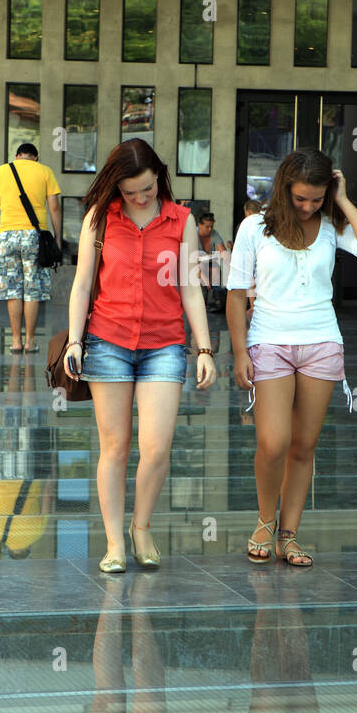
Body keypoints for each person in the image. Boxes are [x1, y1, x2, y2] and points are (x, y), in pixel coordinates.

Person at [63, 140, 217, 573]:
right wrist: (75, 341)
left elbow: (190, 288)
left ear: (159, 177)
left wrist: (204, 348)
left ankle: (141, 527)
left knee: (156, 447)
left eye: (147, 188)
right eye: (130, 192)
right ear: (116, 187)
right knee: (114, 447)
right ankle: (114, 543)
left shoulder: (181, 221)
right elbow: (81, 284)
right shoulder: (100, 218)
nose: (140, 198)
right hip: (107, 342)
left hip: (164, 345)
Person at [227, 149, 357, 566]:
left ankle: (288, 535)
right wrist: (239, 351)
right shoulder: (254, 228)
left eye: (317, 199)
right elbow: (236, 293)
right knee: (273, 441)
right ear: (284, 188)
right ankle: (264, 519)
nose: (308, 206)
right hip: (270, 342)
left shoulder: (333, 227)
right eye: (300, 198)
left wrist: (344, 201)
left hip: (321, 342)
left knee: (304, 445)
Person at [0, 142, 63, 354]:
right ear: (36, 158)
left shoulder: (0, 171)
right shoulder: (45, 171)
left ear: (17, 155)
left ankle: (15, 341)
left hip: (7, 235)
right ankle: (30, 341)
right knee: (32, 289)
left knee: (13, 289)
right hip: (34, 236)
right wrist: (58, 237)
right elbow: (54, 207)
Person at [196, 211, 229, 313]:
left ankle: (214, 300)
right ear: (199, 225)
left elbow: (223, 252)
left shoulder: (214, 234)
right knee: (201, 277)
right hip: (191, 263)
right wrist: (203, 275)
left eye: (212, 226)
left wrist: (231, 264)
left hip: (207, 263)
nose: (210, 229)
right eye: (207, 227)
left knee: (215, 271)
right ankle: (200, 303)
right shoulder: (192, 234)